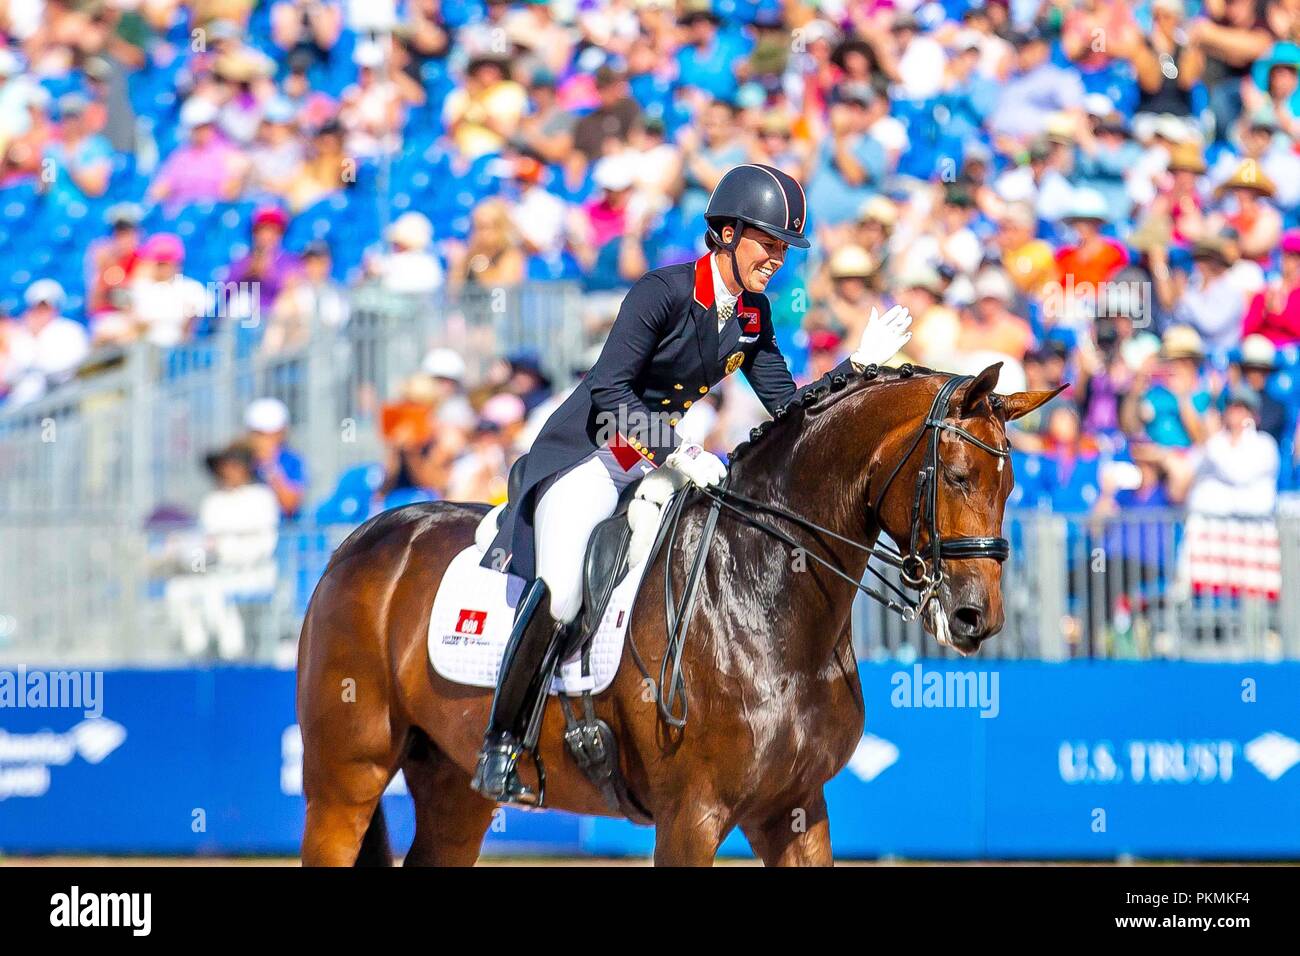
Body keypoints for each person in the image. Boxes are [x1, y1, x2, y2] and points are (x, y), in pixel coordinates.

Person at [471, 163, 914, 804]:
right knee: (564, 589)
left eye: (787, 249)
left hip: (658, 466)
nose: (779, 259)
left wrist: (858, 365)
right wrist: (674, 448)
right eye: (770, 244)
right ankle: (503, 743)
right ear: (729, 234)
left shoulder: (753, 316)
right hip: (590, 457)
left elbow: (789, 412)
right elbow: (607, 392)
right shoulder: (662, 291)